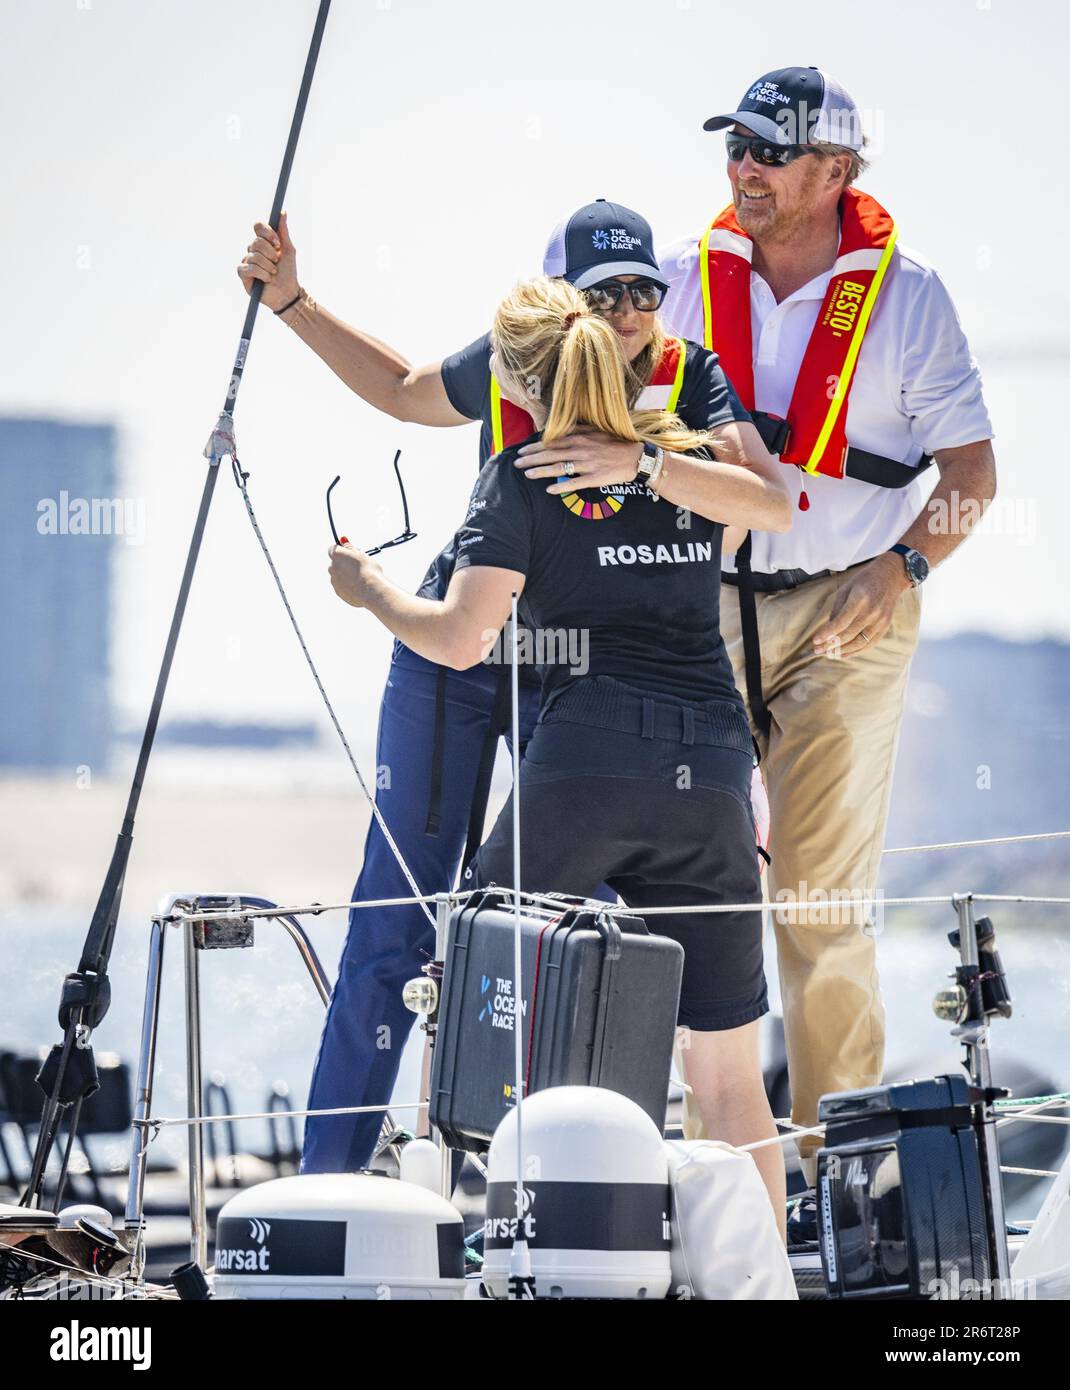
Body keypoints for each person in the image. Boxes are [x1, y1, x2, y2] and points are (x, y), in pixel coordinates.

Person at [237, 201, 776, 1173]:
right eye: (602, 294)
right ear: (560, 309)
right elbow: (404, 390)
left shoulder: (690, 376)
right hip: (463, 638)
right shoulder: (512, 355)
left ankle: (569, 1191)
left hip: (577, 673)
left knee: (582, 930)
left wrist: (642, 459)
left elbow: (759, 504)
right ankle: (333, 1185)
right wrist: (290, 302)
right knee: (395, 920)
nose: (625, 313)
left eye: (643, 291)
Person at [655, 67, 997, 1235]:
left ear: (834, 173)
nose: (740, 166)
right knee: (692, 903)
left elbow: (970, 481)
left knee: (815, 901)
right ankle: (723, 1196)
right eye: (733, 147)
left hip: (851, 612)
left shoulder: (907, 300)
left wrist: (896, 569)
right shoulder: (675, 284)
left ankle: (842, 1197)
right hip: (699, 614)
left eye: (766, 150)